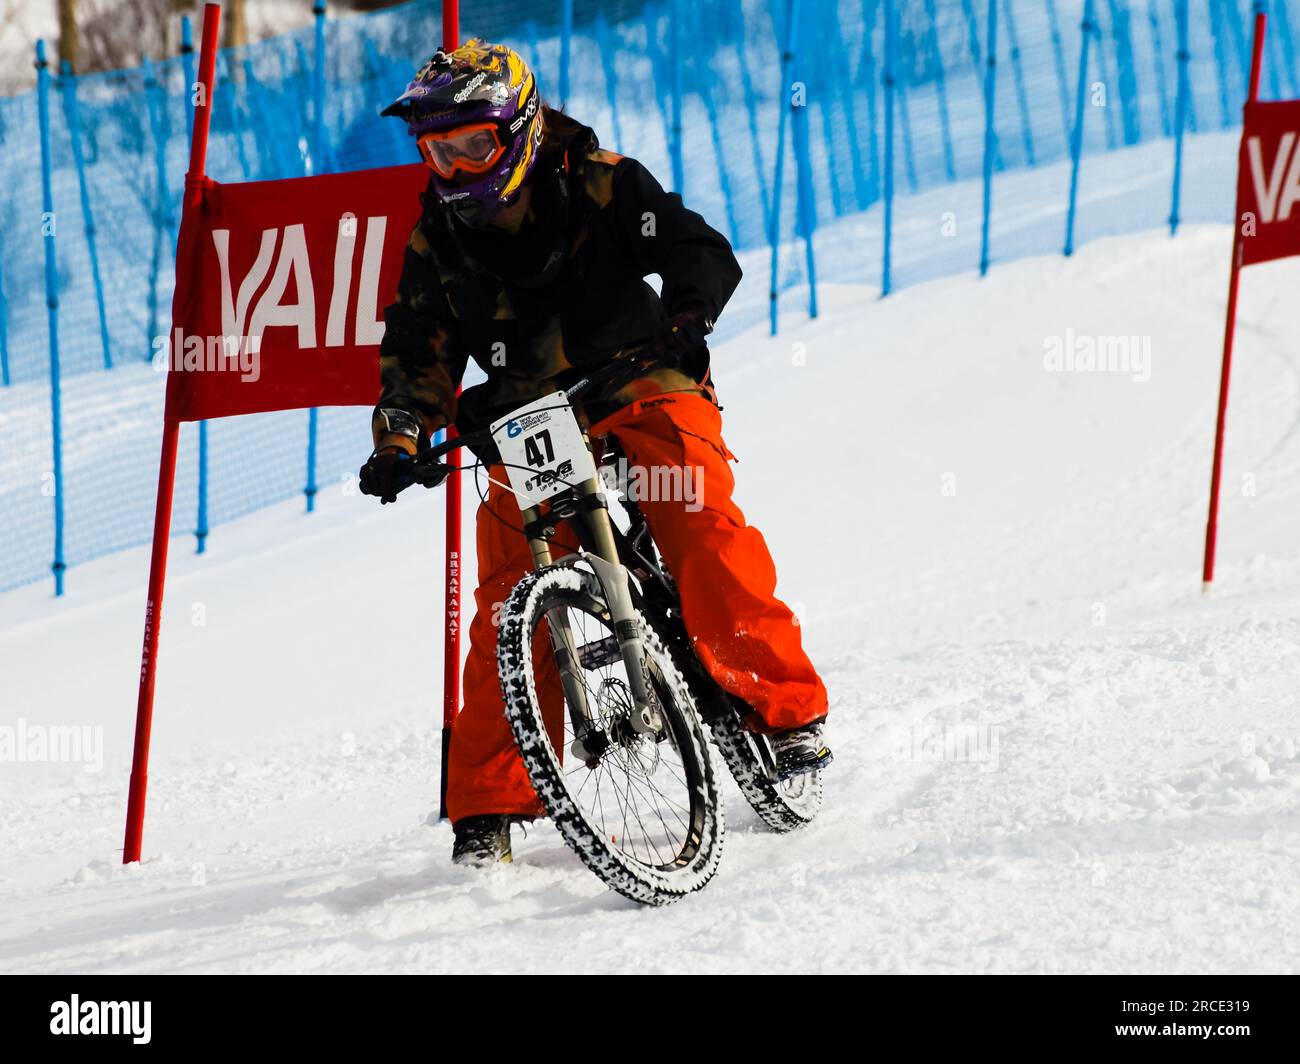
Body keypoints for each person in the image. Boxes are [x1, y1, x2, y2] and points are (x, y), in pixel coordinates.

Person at [360, 39, 830, 867]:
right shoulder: (438, 237)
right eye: (439, 152)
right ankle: (490, 803)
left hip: (638, 378)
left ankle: (786, 713)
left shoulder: (601, 180)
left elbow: (695, 249)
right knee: (510, 596)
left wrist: (688, 315)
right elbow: (416, 350)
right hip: (527, 414)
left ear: (519, 131)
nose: (457, 168)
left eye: (474, 145)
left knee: (699, 519)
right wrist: (401, 436)